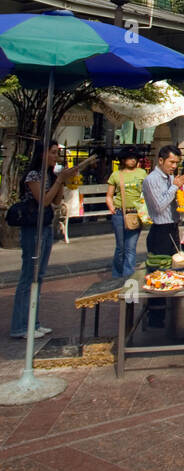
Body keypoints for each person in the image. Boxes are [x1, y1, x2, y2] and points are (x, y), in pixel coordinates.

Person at [9, 141, 83, 339]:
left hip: (46, 226)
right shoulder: (33, 175)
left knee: (39, 276)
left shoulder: (50, 175)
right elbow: (43, 200)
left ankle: (33, 321)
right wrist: (59, 181)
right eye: (52, 153)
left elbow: (57, 201)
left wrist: (61, 180)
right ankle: (20, 325)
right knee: (28, 276)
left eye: (56, 153)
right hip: (32, 227)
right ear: (42, 154)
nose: (55, 157)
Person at [141, 144, 184, 261]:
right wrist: (174, 187)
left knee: (177, 263)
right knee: (161, 268)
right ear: (161, 160)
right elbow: (159, 207)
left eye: (176, 163)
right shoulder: (152, 180)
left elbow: (173, 200)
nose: (174, 166)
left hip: (173, 226)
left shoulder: (170, 178)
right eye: (171, 162)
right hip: (160, 230)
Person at [105, 146, 145, 279]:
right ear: (123, 159)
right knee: (120, 247)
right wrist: (111, 208)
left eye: (135, 158)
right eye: (130, 158)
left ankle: (128, 277)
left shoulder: (142, 173)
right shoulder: (116, 175)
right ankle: (117, 275)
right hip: (119, 213)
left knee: (130, 247)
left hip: (135, 214)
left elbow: (147, 192)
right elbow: (109, 195)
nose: (133, 160)